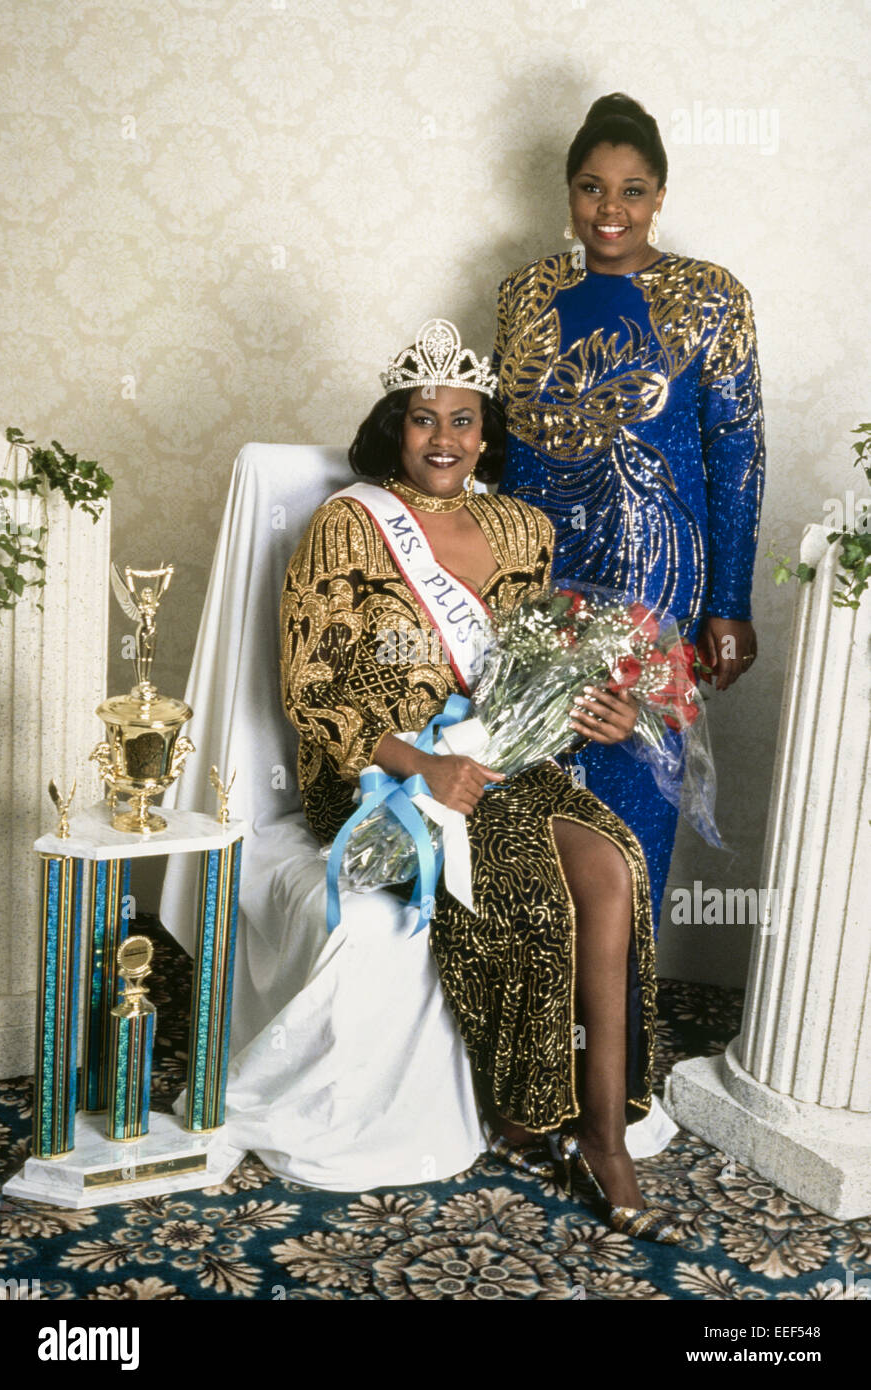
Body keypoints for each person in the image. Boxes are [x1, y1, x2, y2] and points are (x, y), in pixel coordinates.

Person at [279, 317, 683, 1242]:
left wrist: (611, 707)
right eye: (424, 419)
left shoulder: (521, 527)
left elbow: (546, 663)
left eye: (463, 421)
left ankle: (605, 1131)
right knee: (535, 889)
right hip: (385, 771)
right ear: (395, 426)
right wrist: (425, 763)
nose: (444, 440)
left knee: (615, 863)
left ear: (485, 434)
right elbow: (312, 688)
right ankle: (530, 1104)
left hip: (499, 755)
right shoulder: (347, 526)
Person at [493, 92, 766, 934]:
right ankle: (534, 1036)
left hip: (656, 581)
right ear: (567, 193)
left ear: (659, 195)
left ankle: (618, 1039)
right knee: (524, 798)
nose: (609, 210)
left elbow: (737, 450)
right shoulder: (523, 293)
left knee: (631, 804)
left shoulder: (711, 296)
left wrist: (729, 601)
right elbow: (499, 443)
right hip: (536, 580)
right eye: (590, 187)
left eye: (632, 190)